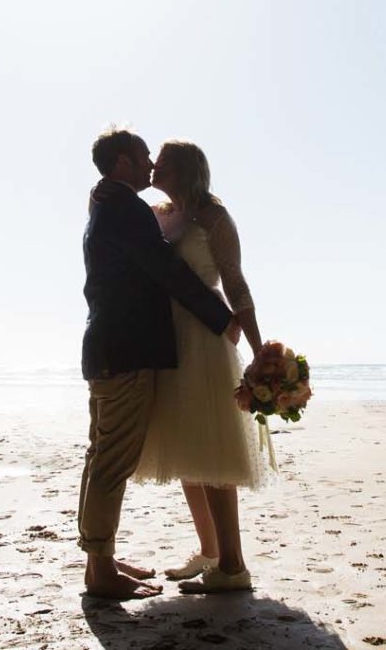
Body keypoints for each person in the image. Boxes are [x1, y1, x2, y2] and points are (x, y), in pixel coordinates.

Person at [78, 128, 240, 601]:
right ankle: (101, 571)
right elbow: (166, 270)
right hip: (125, 351)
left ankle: (98, 556)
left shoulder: (110, 203)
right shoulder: (124, 208)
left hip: (109, 348)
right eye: (145, 156)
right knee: (112, 463)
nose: (151, 164)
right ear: (125, 162)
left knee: (100, 456)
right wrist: (220, 319)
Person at [133, 139, 269, 594]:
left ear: (187, 168)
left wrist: (259, 351)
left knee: (211, 453)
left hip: (205, 336)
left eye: (165, 161)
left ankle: (234, 566)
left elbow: (235, 282)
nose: (155, 165)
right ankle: (209, 553)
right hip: (164, 334)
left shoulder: (214, 216)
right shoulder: (158, 213)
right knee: (187, 451)